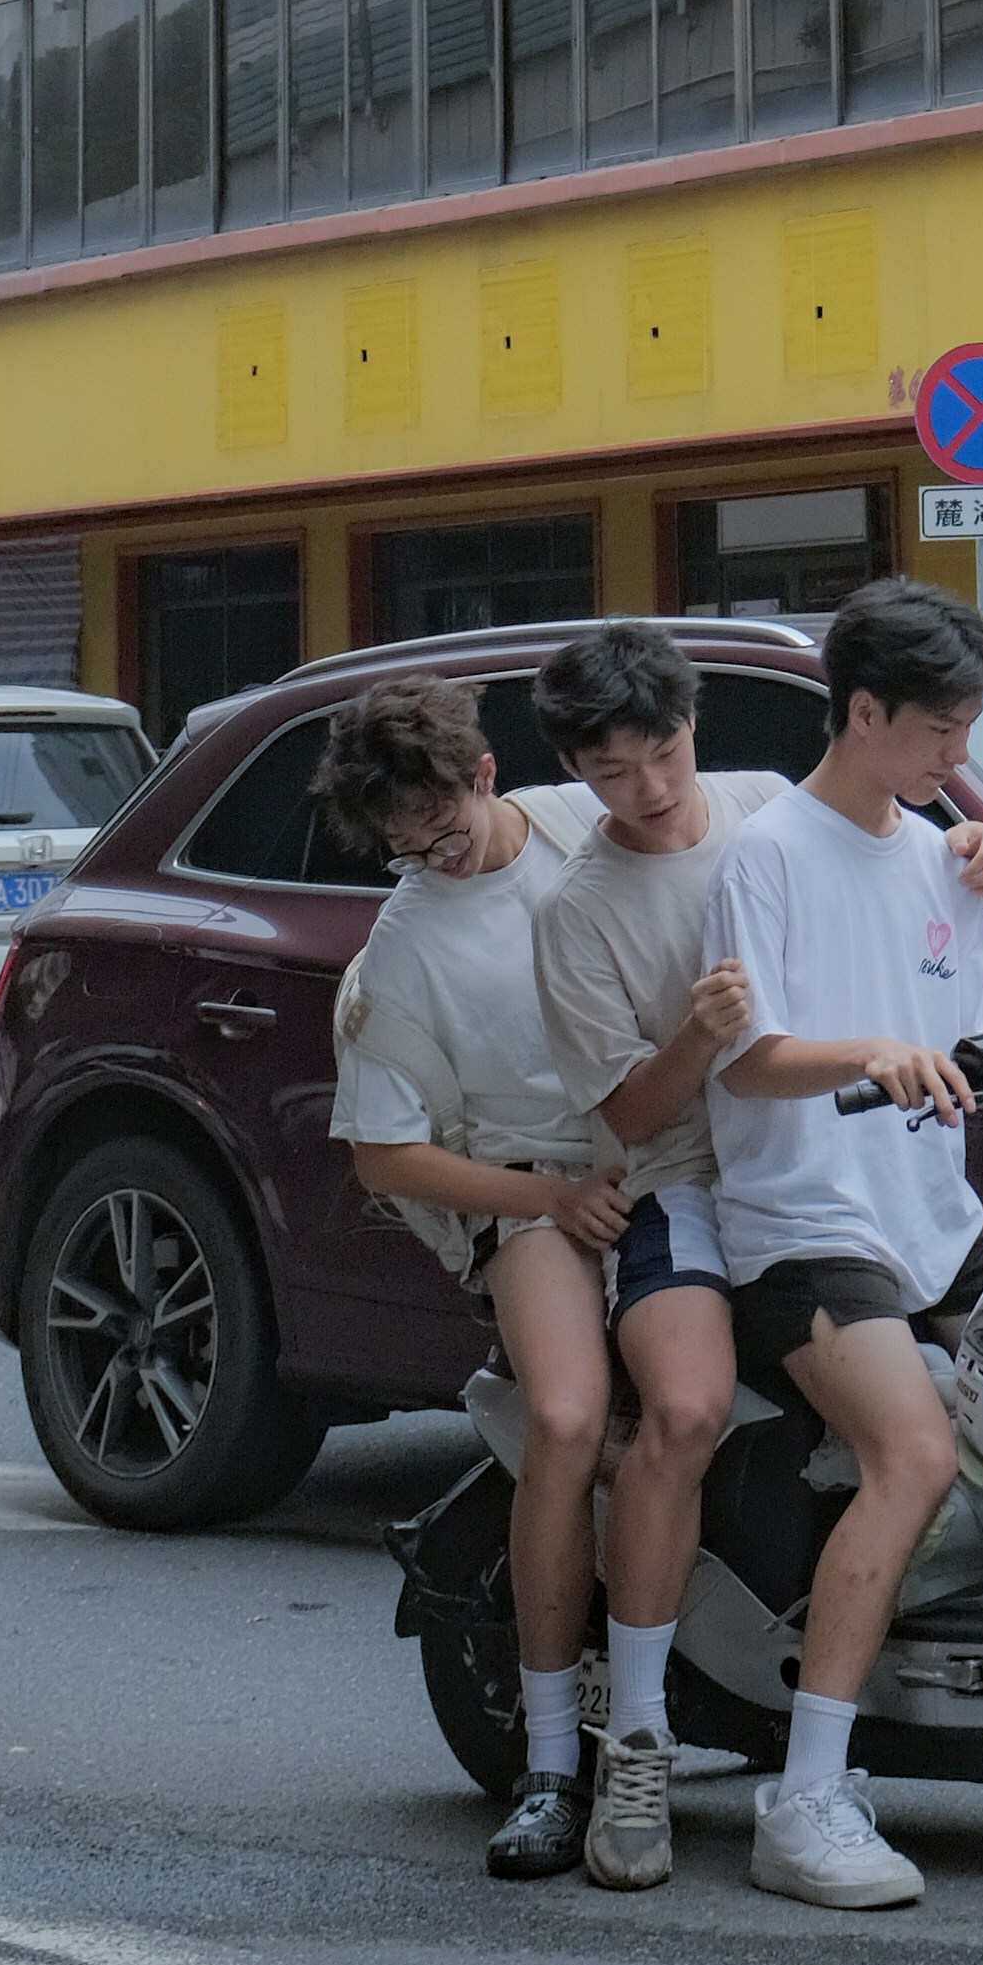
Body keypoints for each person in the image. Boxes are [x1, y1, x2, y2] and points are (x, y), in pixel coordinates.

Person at [706, 579, 983, 1912]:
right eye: (941, 730)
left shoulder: (942, 850)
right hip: (803, 1226)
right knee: (915, 1450)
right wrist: (872, 1051)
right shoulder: (767, 853)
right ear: (862, 709)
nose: (959, 756)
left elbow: (963, 1034)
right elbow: (753, 1056)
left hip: (930, 1218)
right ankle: (805, 1796)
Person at [321, 676, 620, 1884]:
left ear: (487, 774)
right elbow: (384, 1153)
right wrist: (547, 1203)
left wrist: (960, 845)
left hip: (668, 1153)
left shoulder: (588, 826)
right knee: (565, 1415)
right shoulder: (399, 956)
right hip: (531, 1190)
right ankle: (553, 1761)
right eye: (402, 852)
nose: (430, 865)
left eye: (441, 836)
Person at [524, 619, 783, 1893]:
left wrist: (968, 848)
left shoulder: (769, 807)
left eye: (666, 751)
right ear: (578, 770)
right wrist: (696, 1033)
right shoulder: (577, 915)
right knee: (683, 1409)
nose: (652, 789)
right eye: (614, 771)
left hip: (825, 1169)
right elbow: (628, 1119)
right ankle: (633, 1734)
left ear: (696, 726)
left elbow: (897, 881)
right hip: (685, 1188)